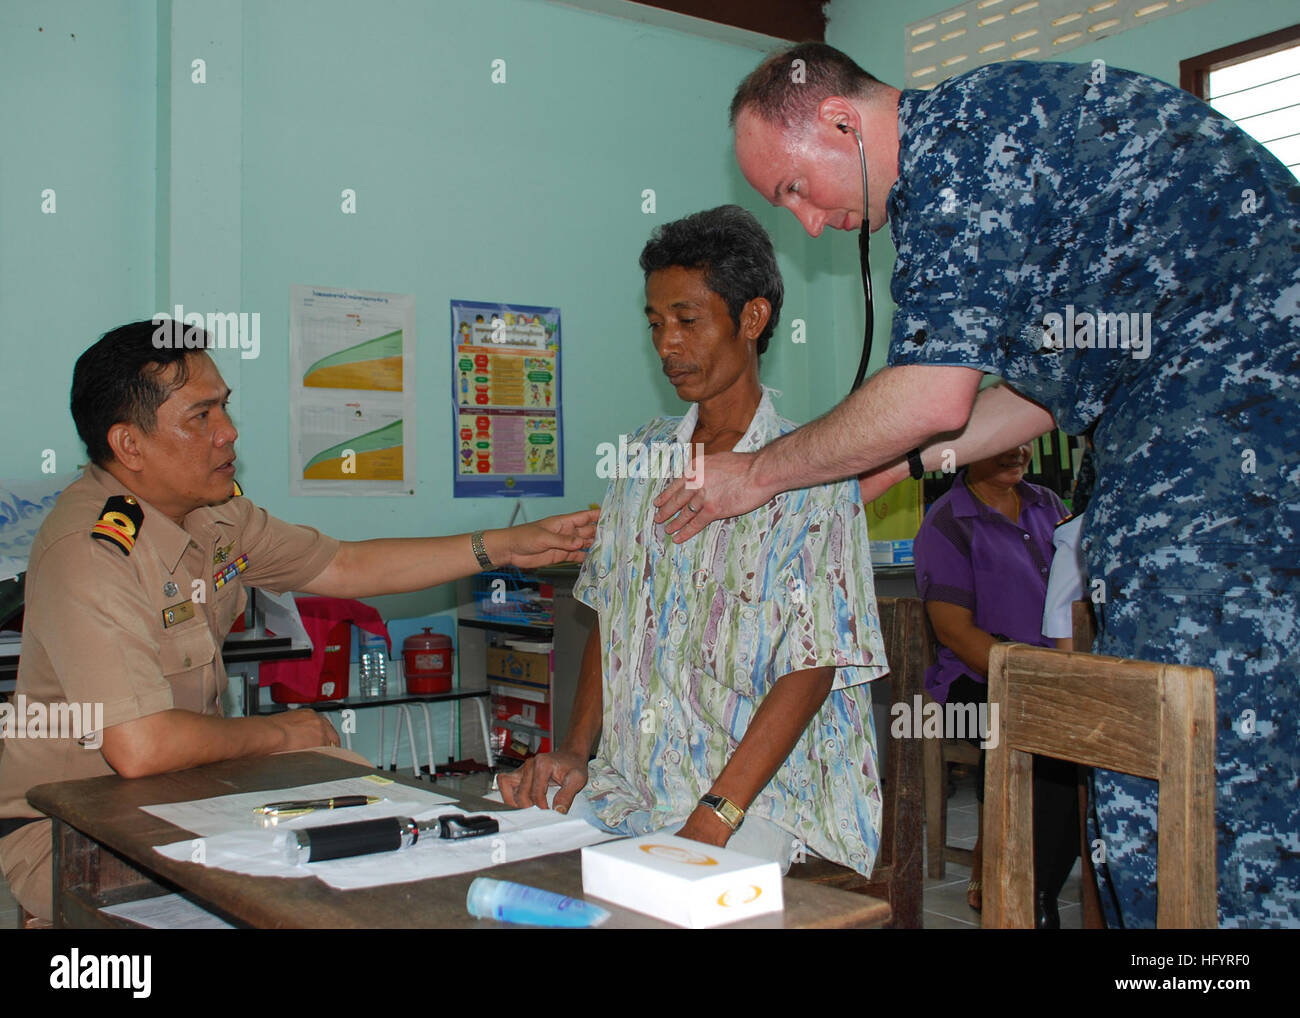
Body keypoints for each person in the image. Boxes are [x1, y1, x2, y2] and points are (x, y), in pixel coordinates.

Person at [653, 41, 1300, 927]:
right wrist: (891, 465)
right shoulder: (1001, 143)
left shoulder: (959, 153)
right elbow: (1036, 398)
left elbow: (933, 391)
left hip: (1242, 452)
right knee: (1159, 767)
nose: (805, 223)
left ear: (843, 122)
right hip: (1216, 426)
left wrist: (759, 474)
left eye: (796, 188)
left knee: (1205, 789)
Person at [0, 320, 598, 922]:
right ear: (129, 445)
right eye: (201, 417)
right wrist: (285, 733)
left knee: (368, 802)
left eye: (224, 407)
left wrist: (503, 547)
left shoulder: (217, 516)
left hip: (185, 789)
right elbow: (141, 744)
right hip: (69, 824)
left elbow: (343, 564)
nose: (228, 433)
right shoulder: (92, 550)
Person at [499, 206, 889, 872]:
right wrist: (572, 752)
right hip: (637, 788)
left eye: (687, 321)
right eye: (655, 324)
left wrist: (717, 815)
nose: (667, 346)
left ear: (754, 319)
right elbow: (612, 622)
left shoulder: (808, 473)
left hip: (770, 802)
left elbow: (815, 664)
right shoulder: (643, 460)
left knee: (671, 893)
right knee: (503, 838)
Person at [913, 443, 1078, 926]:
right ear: (968, 449)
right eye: (1001, 441)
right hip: (976, 679)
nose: (1018, 450)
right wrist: (1029, 679)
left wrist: (1064, 675)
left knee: (1101, 726)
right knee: (1040, 728)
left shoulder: (1048, 504)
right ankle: (1030, 896)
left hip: (1056, 672)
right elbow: (955, 633)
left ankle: (1041, 876)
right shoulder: (947, 523)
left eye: (1025, 439)